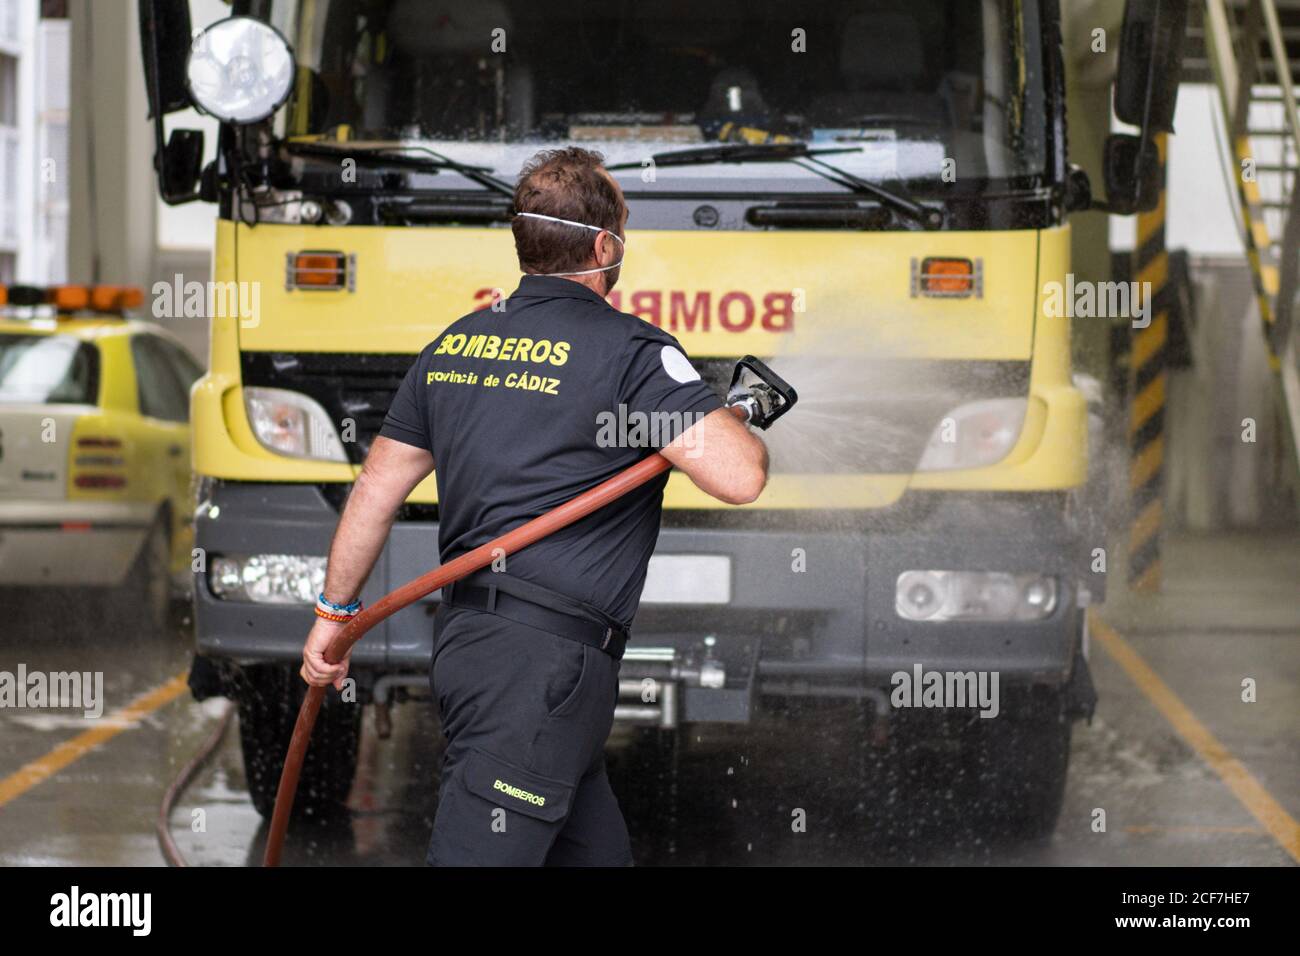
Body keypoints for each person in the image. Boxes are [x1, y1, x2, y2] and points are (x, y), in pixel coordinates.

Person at [300, 146, 768, 866]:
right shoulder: (632, 352)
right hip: (542, 671)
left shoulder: (454, 346)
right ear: (606, 246)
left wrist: (333, 618)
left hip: (475, 649)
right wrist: (729, 419)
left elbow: (376, 492)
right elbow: (740, 478)